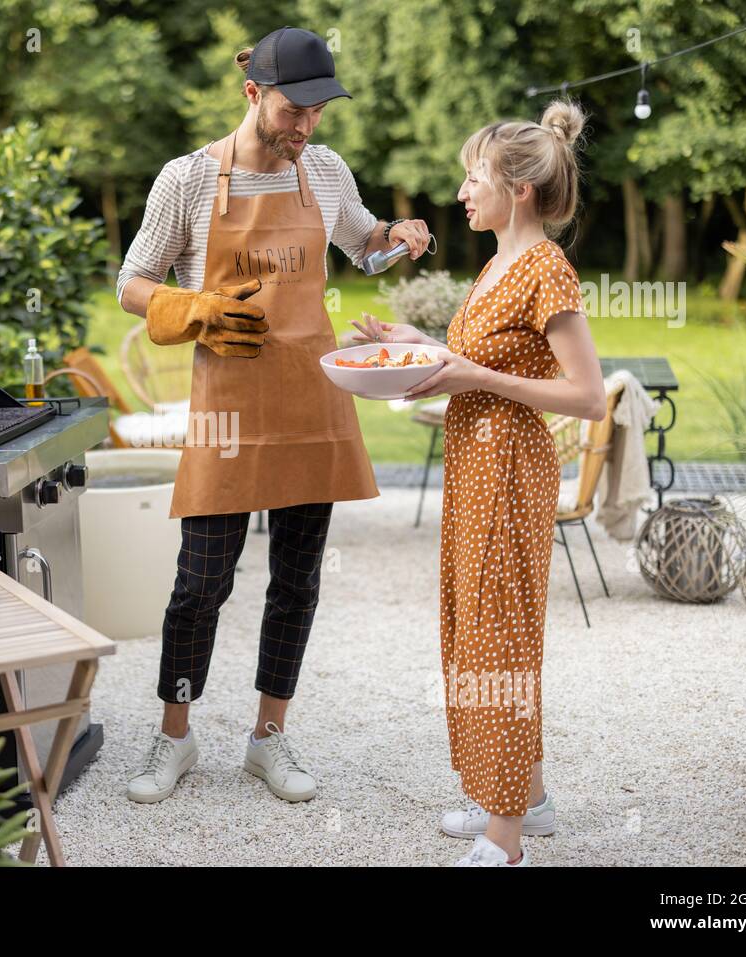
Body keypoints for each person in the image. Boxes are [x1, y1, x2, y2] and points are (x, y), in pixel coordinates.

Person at [116, 26, 431, 804]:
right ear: (252, 93)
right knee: (199, 585)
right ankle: (174, 739)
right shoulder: (186, 180)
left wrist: (400, 237)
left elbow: (365, 248)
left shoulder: (323, 172)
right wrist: (193, 308)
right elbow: (132, 283)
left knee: (297, 582)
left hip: (310, 399)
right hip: (226, 409)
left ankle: (268, 738)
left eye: (319, 112)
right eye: (294, 110)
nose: (305, 127)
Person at [353, 100, 605, 865]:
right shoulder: (497, 264)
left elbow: (587, 396)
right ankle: (526, 797)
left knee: (498, 638)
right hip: (474, 464)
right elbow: (482, 366)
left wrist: (467, 371)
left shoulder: (546, 268)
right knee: (475, 629)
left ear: (518, 189)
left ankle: (507, 835)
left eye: (475, 176)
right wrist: (419, 345)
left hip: (509, 470)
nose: (463, 191)